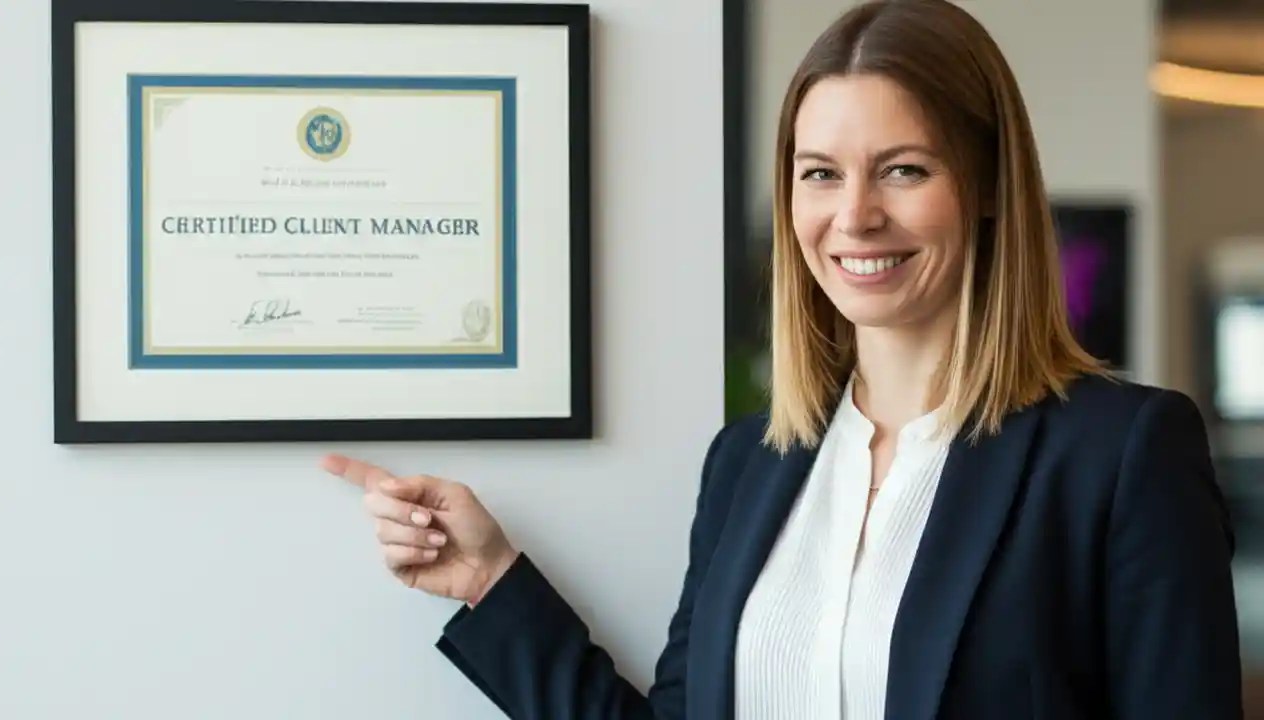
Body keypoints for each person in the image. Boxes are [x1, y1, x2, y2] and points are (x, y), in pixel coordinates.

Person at [321, 0, 1244, 717]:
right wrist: (490, 580)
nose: (854, 217)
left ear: (991, 184)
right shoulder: (749, 465)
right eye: (820, 172)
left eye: (904, 168)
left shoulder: (1120, 454)